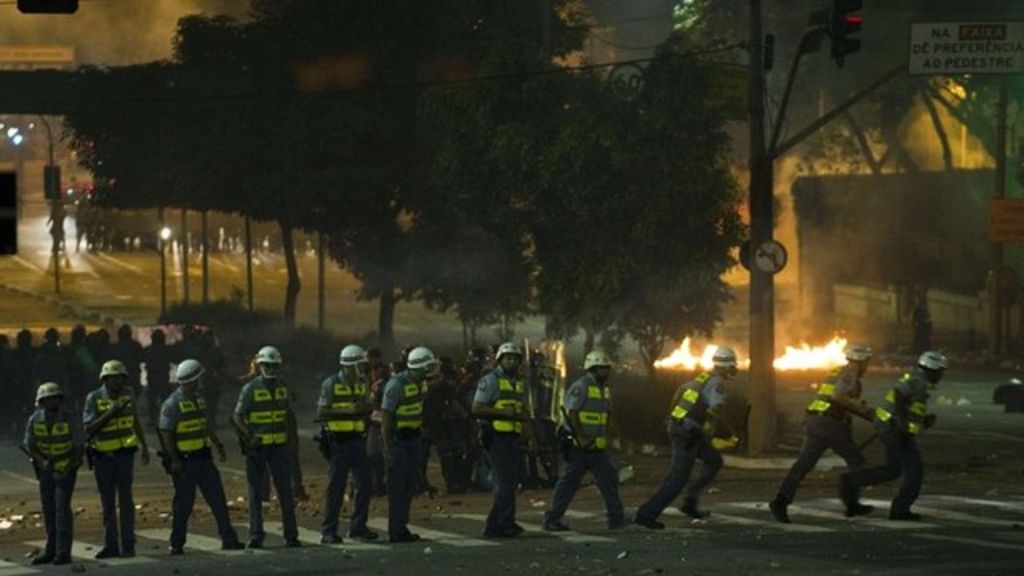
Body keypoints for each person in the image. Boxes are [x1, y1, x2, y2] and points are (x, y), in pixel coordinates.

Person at [634, 347, 739, 530]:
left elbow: (682, 396)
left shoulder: (703, 378)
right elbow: (715, 411)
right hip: (688, 433)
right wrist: (727, 433)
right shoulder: (717, 384)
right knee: (678, 477)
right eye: (732, 367)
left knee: (713, 461)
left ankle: (690, 501)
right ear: (726, 367)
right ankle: (647, 514)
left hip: (684, 427)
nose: (734, 371)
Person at [770, 345, 875, 523]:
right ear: (862, 361)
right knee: (856, 461)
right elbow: (838, 397)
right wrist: (866, 414)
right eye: (867, 362)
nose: (867, 366)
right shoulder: (851, 374)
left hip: (815, 422)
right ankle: (852, 504)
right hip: (831, 424)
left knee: (803, 465)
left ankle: (781, 501)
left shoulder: (835, 372)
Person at [841, 351, 947, 521]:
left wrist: (922, 421)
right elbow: (899, 395)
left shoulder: (917, 380)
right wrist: (903, 425)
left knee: (894, 470)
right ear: (932, 369)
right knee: (914, 470)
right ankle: (900, 510)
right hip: (896, 430)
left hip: (891, 428)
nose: (941, 375)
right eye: (940, 371)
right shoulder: (917, 381)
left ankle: (853, 481)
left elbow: (907, 407)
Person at [158, 359, 244, 554]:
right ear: (190, 380)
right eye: (197, 379)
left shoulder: (198, 400)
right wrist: (174, 460)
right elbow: (166, 433)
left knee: (218, 500)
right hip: (186, 462)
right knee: (184, 504)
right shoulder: (172, 404)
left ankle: (228, 538)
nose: (200, 382)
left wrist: (217, 444)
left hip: (204, 458)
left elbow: (205, 425)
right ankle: (176, 543)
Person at [543, 349, 625, 532]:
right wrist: (580, 437)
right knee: (569, 484)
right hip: (579, 447)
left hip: (597, 447)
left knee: (609, 481)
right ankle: (552, 519)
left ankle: (616, 519)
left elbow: (607, 415)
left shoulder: (605, 389)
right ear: (593, 368)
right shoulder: (581, 386)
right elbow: (572, 413)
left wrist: (618, 435)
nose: (606, 371)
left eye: (607, 368)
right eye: (602, 368)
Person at [231, 345, 300, 548]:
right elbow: (237, 416)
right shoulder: (250, 389)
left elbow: (289, 415)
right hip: (258, 449)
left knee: (285, 492)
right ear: (260, 366)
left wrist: (293, 441)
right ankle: (256, 535)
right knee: (255, 494)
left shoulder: (283, 387)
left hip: (279, 447)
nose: (270, 369)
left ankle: (291, 535)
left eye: (273, 365)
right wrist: (249, 436)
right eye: (267, 365)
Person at [82, 360, 150, 558]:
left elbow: (135, 420)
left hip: (125, 455)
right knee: (108, 503)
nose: (118, 382)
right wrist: (110, 413)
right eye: (113, 378)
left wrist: (144, 446)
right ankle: (111, 545)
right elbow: (88, 428)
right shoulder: (94, 398)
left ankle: (128, 545)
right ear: (105, 380)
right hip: (104, 457)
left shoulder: (128, 394)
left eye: (120, 378)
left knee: (126, 501)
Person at [318, 345, 378, 544]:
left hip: (357, 439)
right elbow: (322, 412)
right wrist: (349, 411)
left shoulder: (361, 383)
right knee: (336, 487)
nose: (364, 367)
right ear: (349, 365)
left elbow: (366, 407)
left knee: (365, 484)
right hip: (338, 441)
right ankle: (329, 531)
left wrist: (365, 409)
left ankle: (358, 527)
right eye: (360, 364)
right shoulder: (331, 383)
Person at [380, 346, 437, 543]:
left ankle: (401, 526)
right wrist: (387, 448)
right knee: (398, 487)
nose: (431, 370)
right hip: (398, 441)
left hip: (413, 440)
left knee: (409, 485)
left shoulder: (421, 384)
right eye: (428, 366)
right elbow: (386, 418)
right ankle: (396, 530)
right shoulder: (396, 385)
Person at [24, 383, 84, 566]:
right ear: (42, 402)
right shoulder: (35, 419)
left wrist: (68, 468)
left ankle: (63, 552)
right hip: (46, 471)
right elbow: (29, 445)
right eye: (48, 399)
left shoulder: (69, 418)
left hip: (66, 469)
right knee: (49, 510)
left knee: (61, 509)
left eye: (55, 398)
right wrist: (41, 461)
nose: (52, 402)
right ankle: (51, 551)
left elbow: (78, 447)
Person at [473, 342, 529, 538]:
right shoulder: (490, 381)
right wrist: (502, 413)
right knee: (505, 482)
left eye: (515, 359)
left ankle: (494, 525)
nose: (512, 362)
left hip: (513, 437)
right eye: (508, 358)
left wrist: (526, 431)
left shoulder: (517, 382)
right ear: (500, 360)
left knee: (509, 482)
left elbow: (520, 410)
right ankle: (505, 523)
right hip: (495, 436)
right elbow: (477, 408)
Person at [365, 347, 390, 496]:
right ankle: (374, 485)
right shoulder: (366, 373)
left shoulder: (386, 372)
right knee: (372, 454)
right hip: (369, 417)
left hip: (381, 416)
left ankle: (378, 485)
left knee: (378, 453)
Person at [143, 329, 174, 431]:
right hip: (163, 379)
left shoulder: (148, 350)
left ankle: (153, 420)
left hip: (153, 379)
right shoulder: (166, 350)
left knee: (152, 401)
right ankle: (167, 420)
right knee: (166, 401)